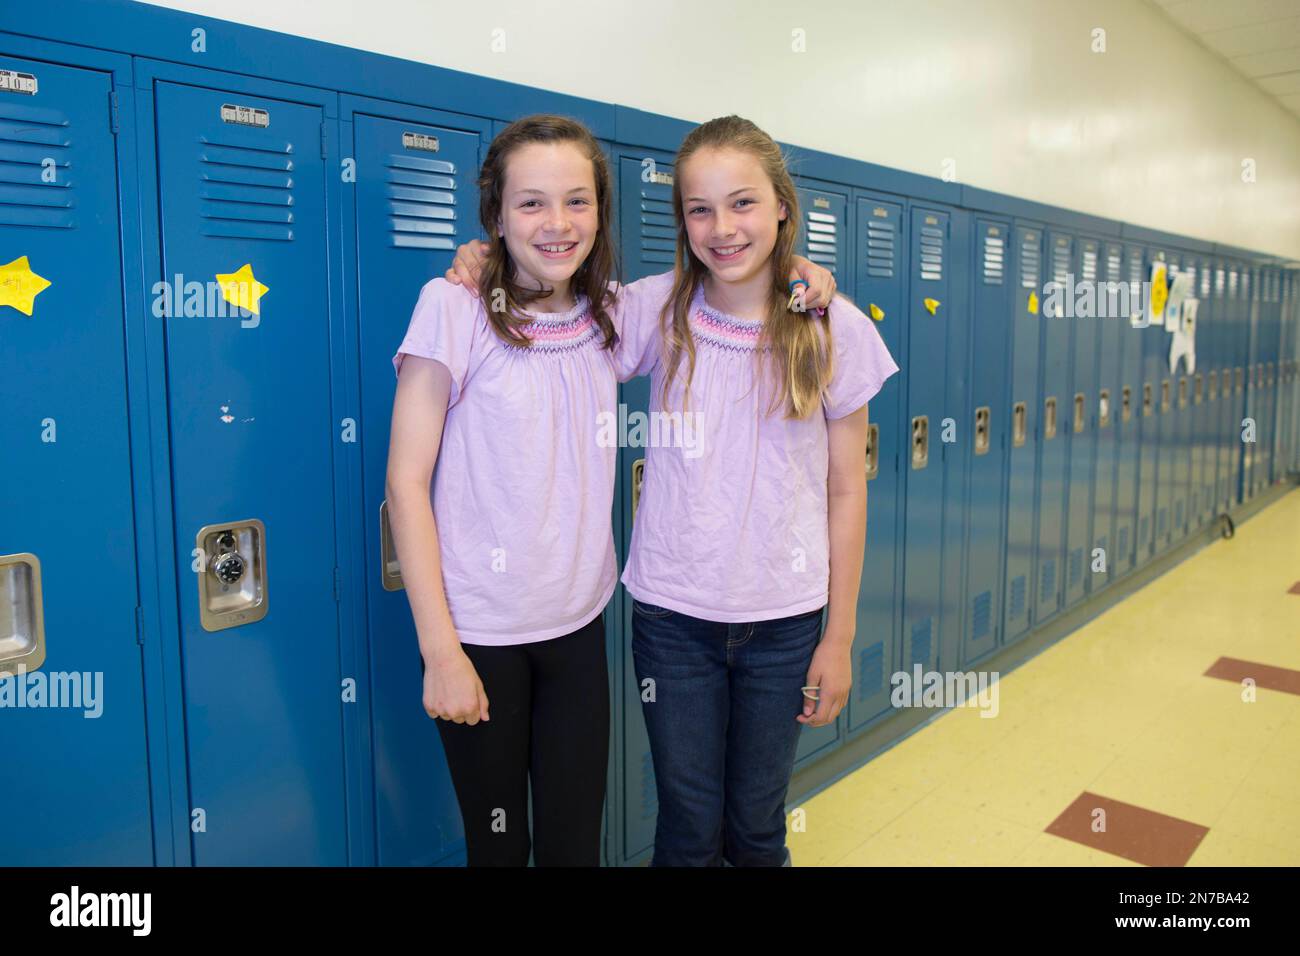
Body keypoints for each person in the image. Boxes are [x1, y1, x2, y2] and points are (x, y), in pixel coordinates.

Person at [391, 113, 836, 866]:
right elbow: (406, 482)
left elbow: (737, 280)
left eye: (577, 201)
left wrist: (805, 272)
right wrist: (439, 650)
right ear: (495, 214)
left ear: (602, 210)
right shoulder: (455, 309)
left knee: (574, 850)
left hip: (577, 628)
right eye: (529, 203)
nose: (557, 223)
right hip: (480, 634)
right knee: (498, 849)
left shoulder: (611, 314)